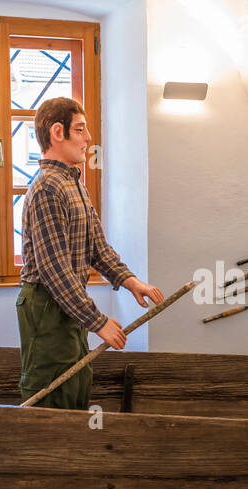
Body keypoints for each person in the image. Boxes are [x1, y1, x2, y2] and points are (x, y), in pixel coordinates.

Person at [17, 97, 163, 407]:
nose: (88, 139)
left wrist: (130, 281)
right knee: (52, 391)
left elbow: (96, 247)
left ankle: (73, 455)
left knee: (76, 381)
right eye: (80, 130)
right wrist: (98, 322)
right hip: (46, 305)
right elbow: (55, 271)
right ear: (58, 132)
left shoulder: (74, 185)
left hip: (67, 302)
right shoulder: (47, 189)